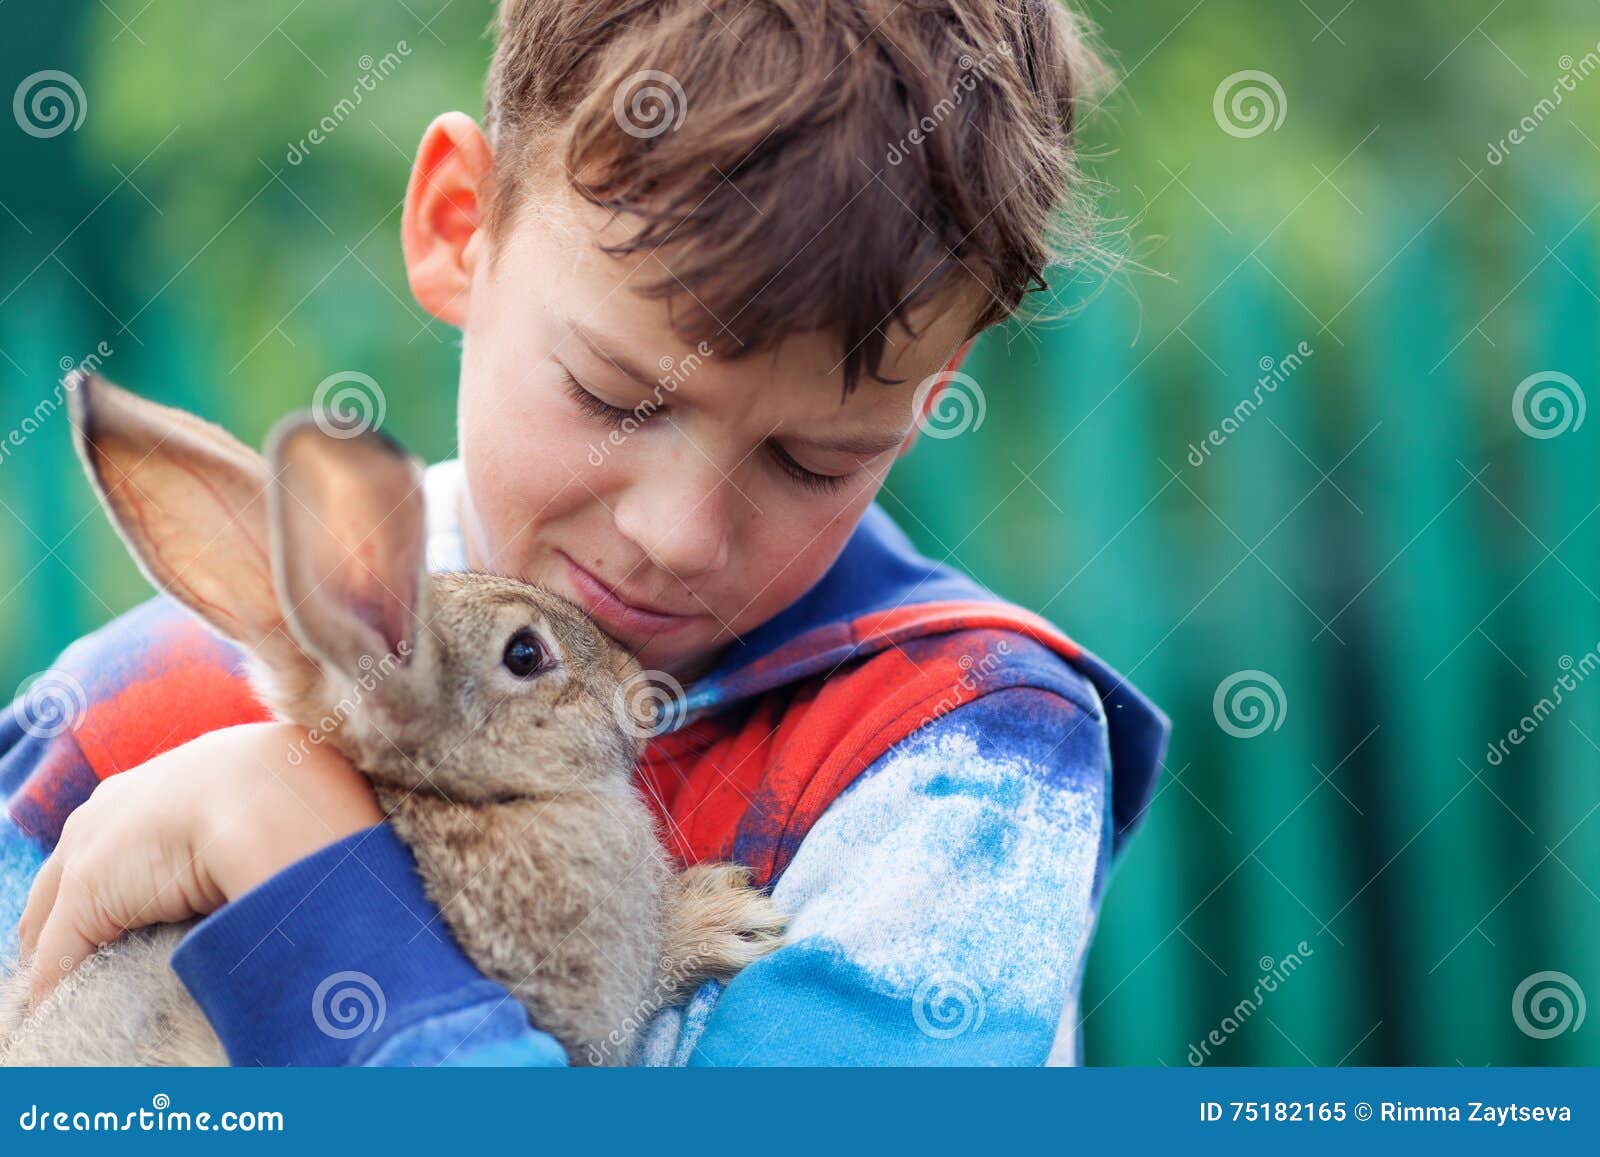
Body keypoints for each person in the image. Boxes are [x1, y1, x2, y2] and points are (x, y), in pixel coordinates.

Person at [1, 0, 1167, 1066]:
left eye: (810, 456)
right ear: (462, 225)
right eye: (615, 398)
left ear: (926, 397)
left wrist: (302, 873)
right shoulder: (124, 721)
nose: (677, 534)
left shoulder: (965, 762)